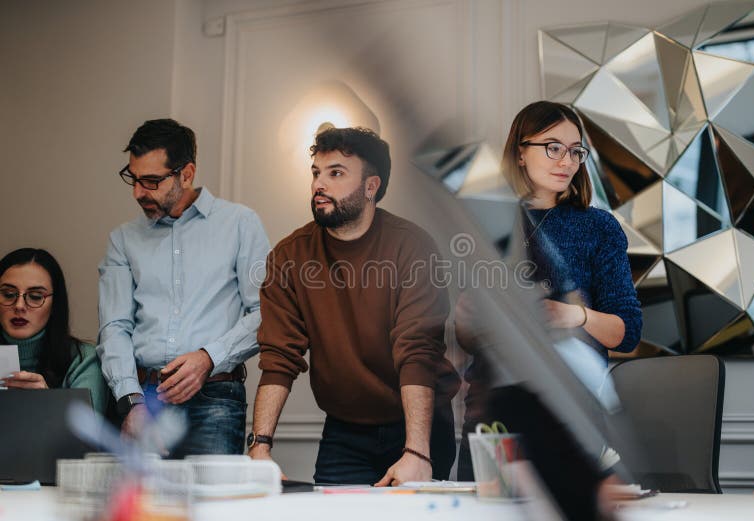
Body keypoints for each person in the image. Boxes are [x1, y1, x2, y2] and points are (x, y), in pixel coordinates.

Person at [249, 127, 460, 486]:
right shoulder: (289, 256)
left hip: (419, 425)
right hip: (345, 430)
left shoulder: (413, 247)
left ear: (371, 186)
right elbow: (279, 356)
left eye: (336, 173)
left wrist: (417, 452)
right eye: (316, 172)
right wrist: (260, 446)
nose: (319, 184)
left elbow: (417, 353)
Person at [457, 101, 642, 479]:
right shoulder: (485, 223)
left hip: (572, 414)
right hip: (493, 414)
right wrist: (466, 319)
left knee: (570, 504)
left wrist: (576, 315)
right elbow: (469, 339)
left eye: (575, 152)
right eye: (553, 147)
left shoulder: (598, 227)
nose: (567, 161)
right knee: (487, 507)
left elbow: (627, 333)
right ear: (520, 153)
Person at [97, 118, 270, 457]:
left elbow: (265, 313)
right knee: (144, 494)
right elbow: (114, 326)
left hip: (216, 397)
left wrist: (209, 357)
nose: (138, 192)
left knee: (211, 494)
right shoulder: (123, 240)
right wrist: (131, 400)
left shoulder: (240, 224)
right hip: (145, 399)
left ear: (186, 174)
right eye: (133, 178)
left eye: (151, 181)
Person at [0, 248, 108, 414]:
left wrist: (48, 402)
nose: (19, 306)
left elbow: (85, 428)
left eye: (35, 297)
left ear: (55, 305)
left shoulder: (84, 359)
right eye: (8, 294)